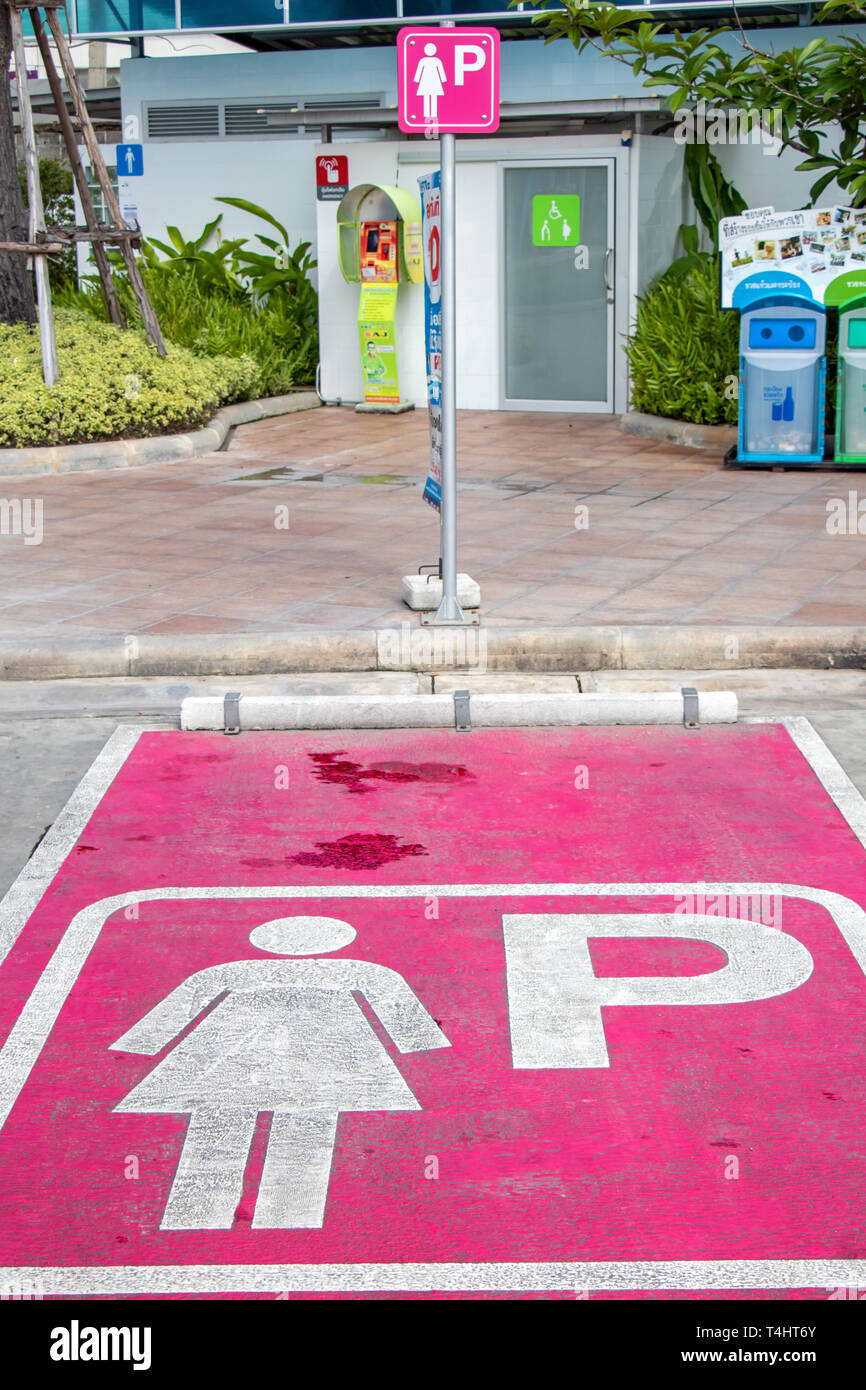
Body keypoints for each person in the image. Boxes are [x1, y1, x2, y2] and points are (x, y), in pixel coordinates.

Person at [110, 916, 450, 1230]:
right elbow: (413, 1029)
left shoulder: (234, 970)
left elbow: (171, 1015)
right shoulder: (358, 969)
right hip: (327, 1059)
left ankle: (197, 1212)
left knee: (216, 1123)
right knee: (307, 1125)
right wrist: (419, 1041)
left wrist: (146, 1042)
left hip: (230, 1059)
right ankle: (290, 1213)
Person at [414, 42, 447, 121]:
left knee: (432, 96)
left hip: (431, 80)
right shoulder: (426, 60)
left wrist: (443, 79)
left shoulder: (433, 60)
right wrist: (416, 79)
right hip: (428, 80)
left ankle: (432, 113)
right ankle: (428, 114)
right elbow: (419, 70)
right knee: (428, 96)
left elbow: (441, 70)